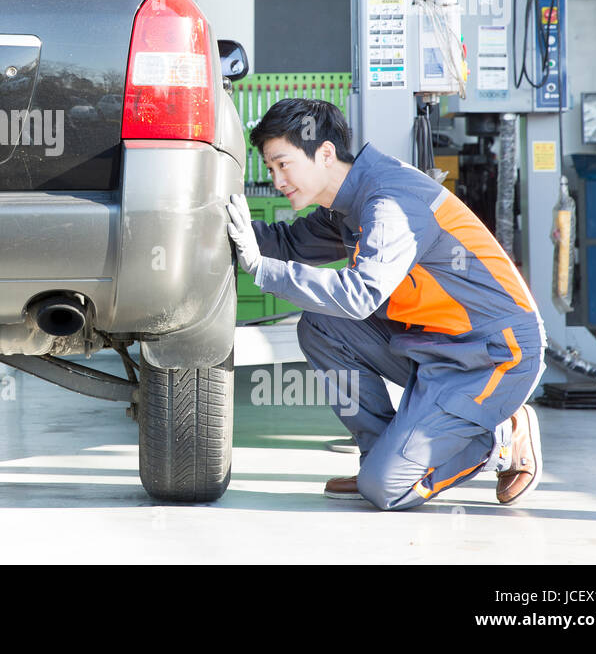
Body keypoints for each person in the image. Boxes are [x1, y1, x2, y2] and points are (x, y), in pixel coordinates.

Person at [226, 98, 545, 510]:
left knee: (386, 488)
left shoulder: (389, 202)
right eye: (271, 169)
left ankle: (501, 436)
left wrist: (261, 268)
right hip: (435, 344)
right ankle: (379, 456)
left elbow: (360, 294)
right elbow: (287, 243)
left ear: (325, 153)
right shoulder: (345, 203)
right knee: (321, 325)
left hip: (494, 354)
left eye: (283, 164)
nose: (277, 180)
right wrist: (216, 224)